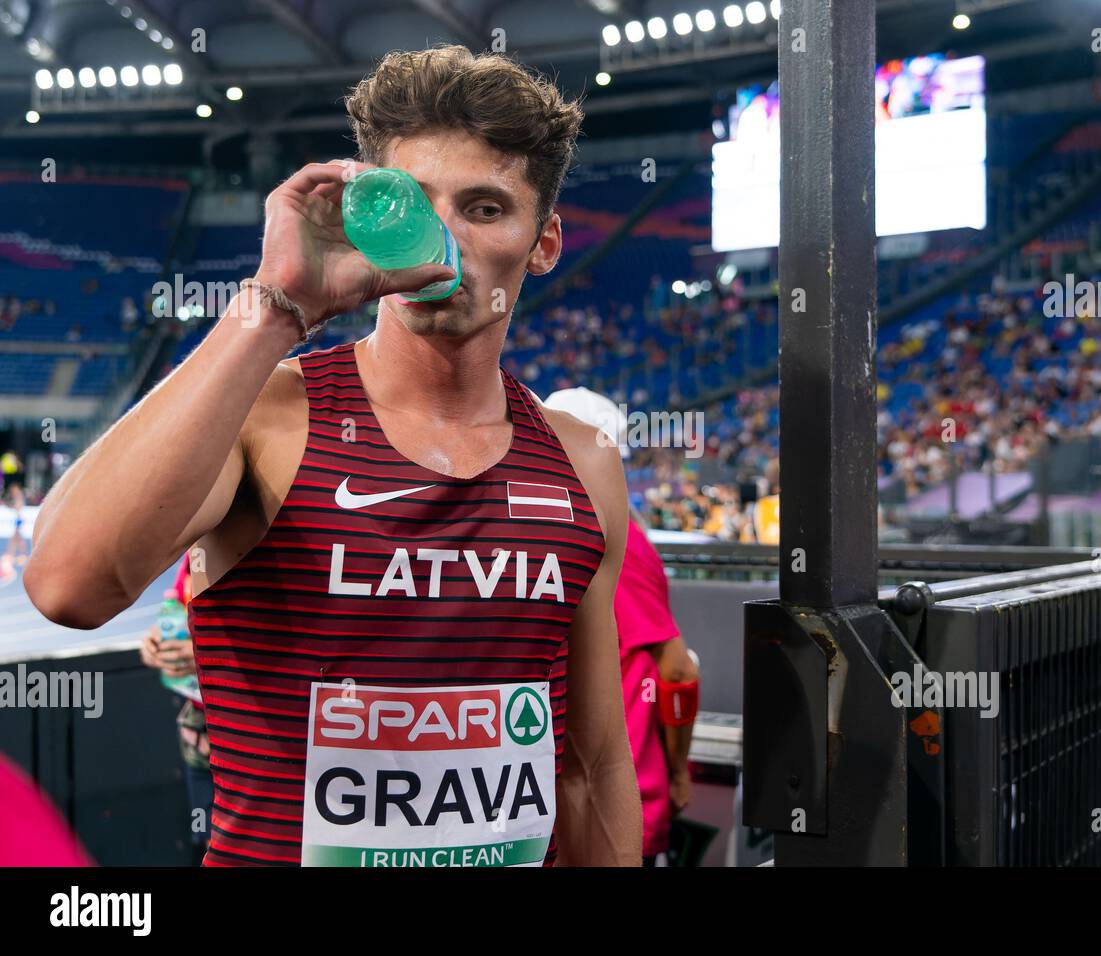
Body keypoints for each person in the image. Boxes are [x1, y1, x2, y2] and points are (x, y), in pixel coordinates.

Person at [25, 45, 640, 867]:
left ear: (544, 242)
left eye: (486, 207)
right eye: (415, 202)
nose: (444, 237)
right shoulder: (268, 416)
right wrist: (277, 304)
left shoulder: (581, 460)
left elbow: (592, 769)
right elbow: (67, 586)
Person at [545, 386, 700, 866]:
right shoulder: (610, 534)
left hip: (584, 805)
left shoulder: (566, 529)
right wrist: (677, 772)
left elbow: (674, 672)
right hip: (594, 802)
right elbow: (678, 674)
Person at [138, 552, 212, 865]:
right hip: (200, 741)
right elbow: (176, 611)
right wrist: (155, 643)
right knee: (209, 846)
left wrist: (206, 652)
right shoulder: (197, 551)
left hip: (254, 743)